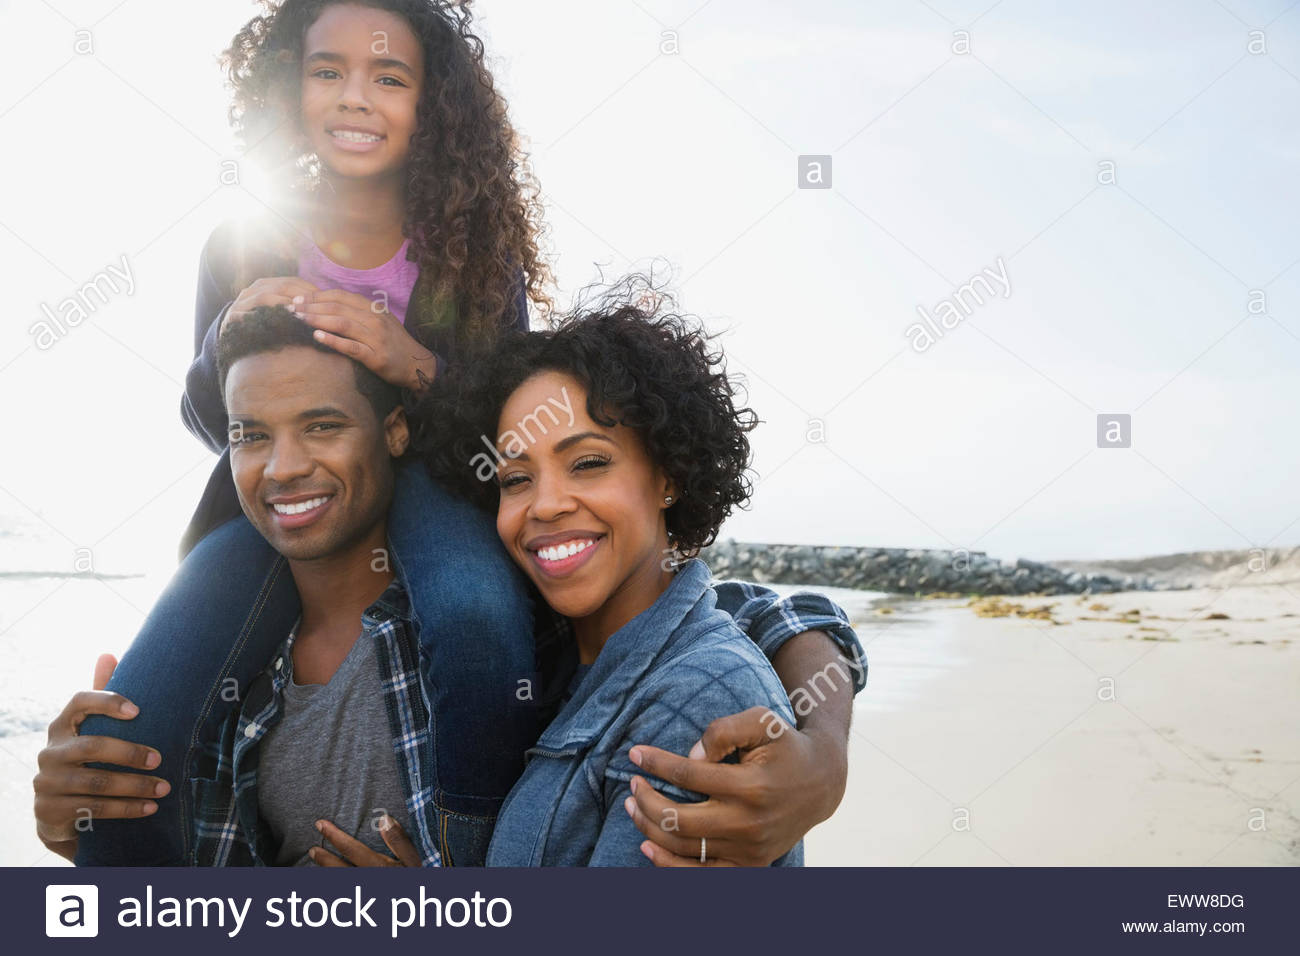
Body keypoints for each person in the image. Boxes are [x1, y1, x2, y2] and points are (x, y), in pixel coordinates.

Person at [39, 0, 866, 866]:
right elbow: (210, 415)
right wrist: (78, 822)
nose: (356, 97)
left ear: (432, 110)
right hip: (267, 533)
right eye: (327, 71)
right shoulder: (245, 242)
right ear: (288, 91)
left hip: (441, 477)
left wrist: (412, 363)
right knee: (136, 712)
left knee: (473, 610)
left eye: (389, 77)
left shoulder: (471, 264)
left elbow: (519, 425)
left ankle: (462, 841)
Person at [407, 290, 811, 865]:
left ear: (668, 475)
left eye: (589, 463)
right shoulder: (553, 656)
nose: (544, 505)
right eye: (515, 479)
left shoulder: (699, 702)